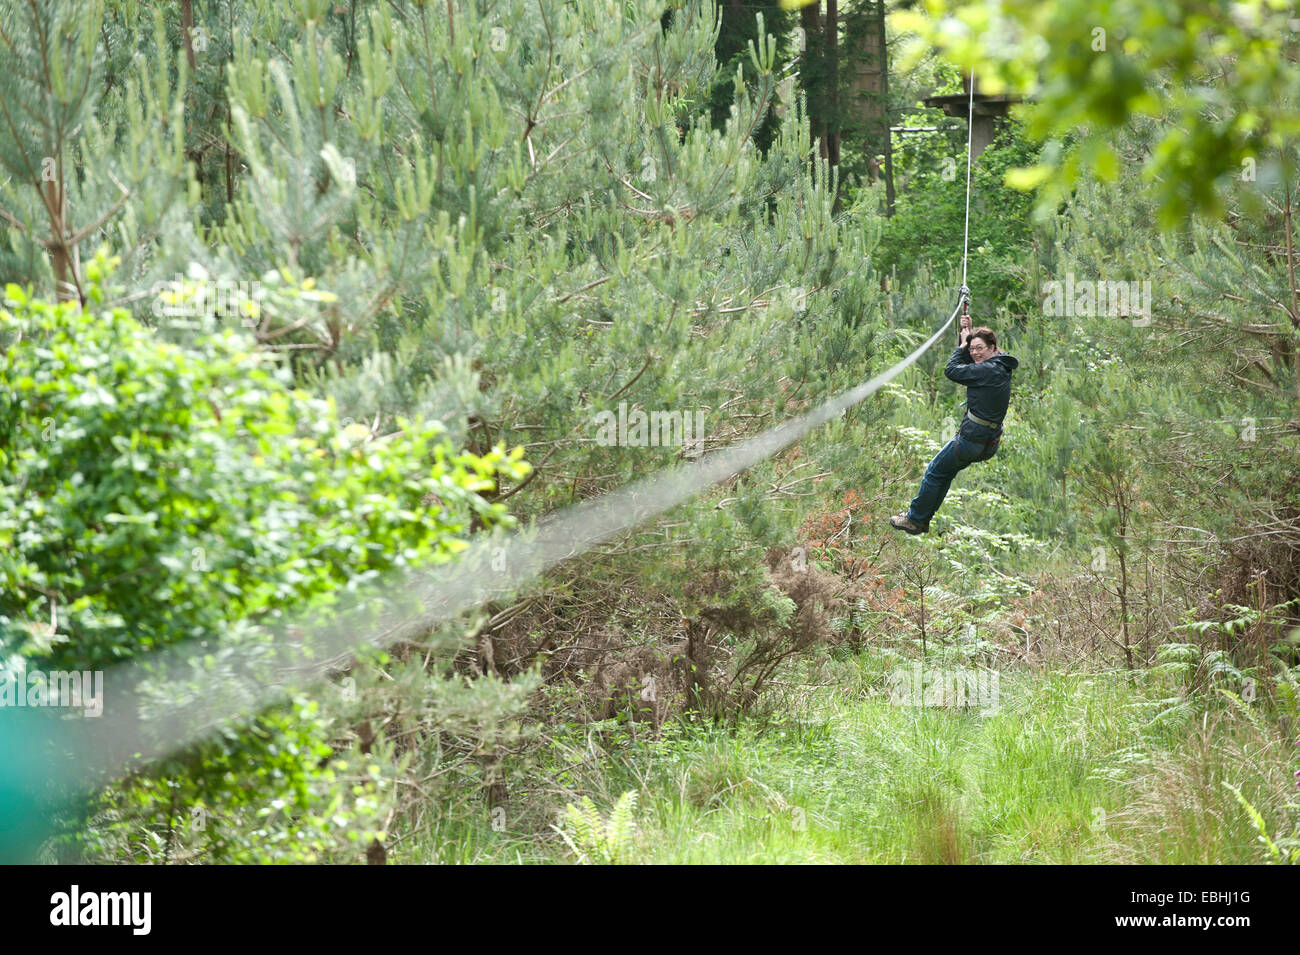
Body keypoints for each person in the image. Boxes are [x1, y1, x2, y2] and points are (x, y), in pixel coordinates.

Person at [889, 311, 1019, 535]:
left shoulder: (988, 370)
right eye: (972, 349)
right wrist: (966, 336)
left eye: (979, 348)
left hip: (971, 440)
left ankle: (915, 518)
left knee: (933, 472)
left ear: (992, 347)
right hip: (986, 442)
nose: (975, 353)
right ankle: (921, 518)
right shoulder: (999, 365)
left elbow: (952, 370)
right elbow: (973, 364)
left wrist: (961, 348)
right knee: (944, 474)